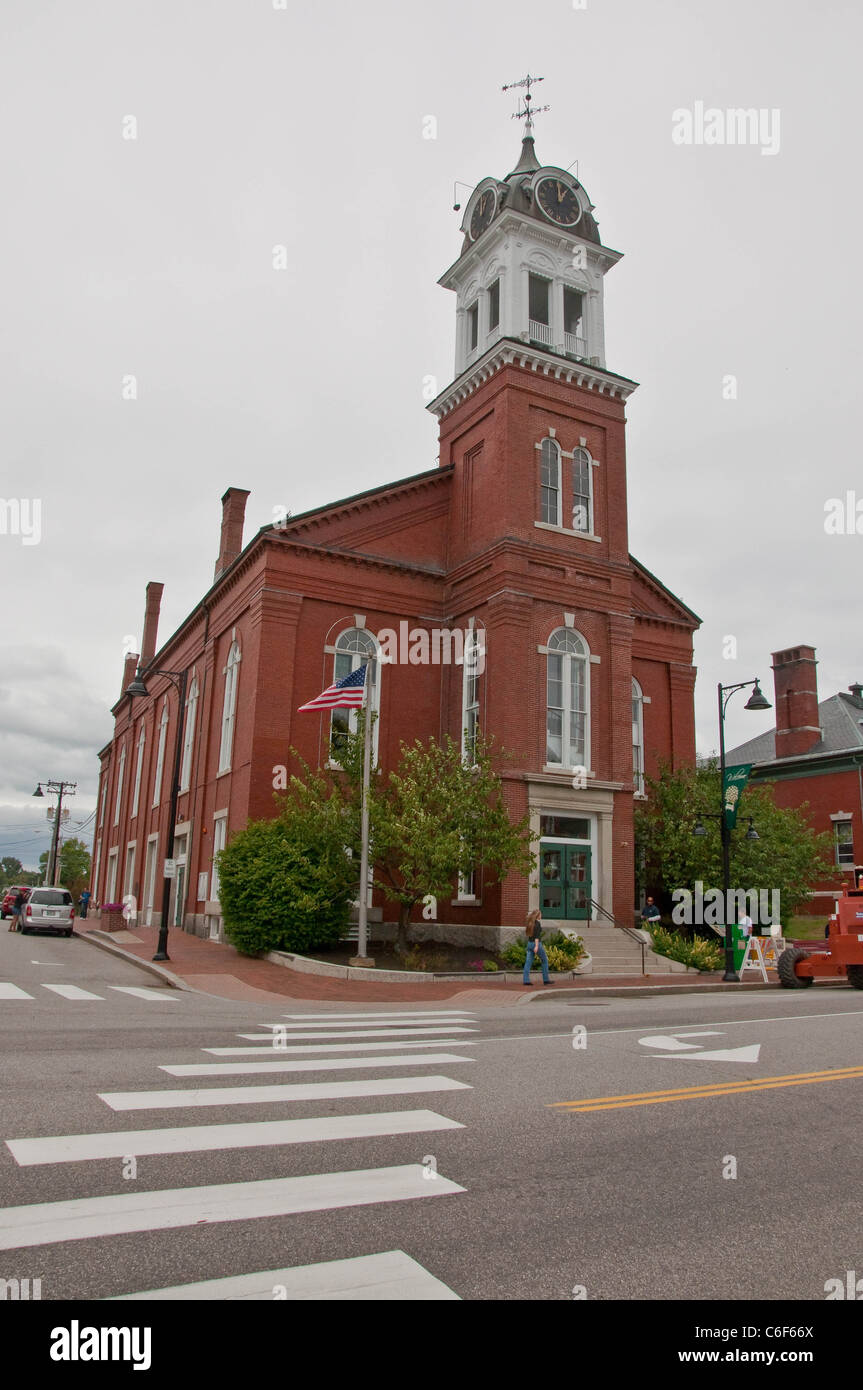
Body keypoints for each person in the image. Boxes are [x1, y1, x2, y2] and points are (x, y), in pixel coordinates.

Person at [523, 908, 551, 986]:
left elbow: (529, 935)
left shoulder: (530, 923)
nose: (541, 915)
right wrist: (536, 946)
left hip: (529, 944)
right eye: (540, 914)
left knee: (528, 962)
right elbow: (536, 937)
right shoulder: (537, 923)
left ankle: (526, 980)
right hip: (536, 944)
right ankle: (546, 980)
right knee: (544, 960)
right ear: (538, 916)